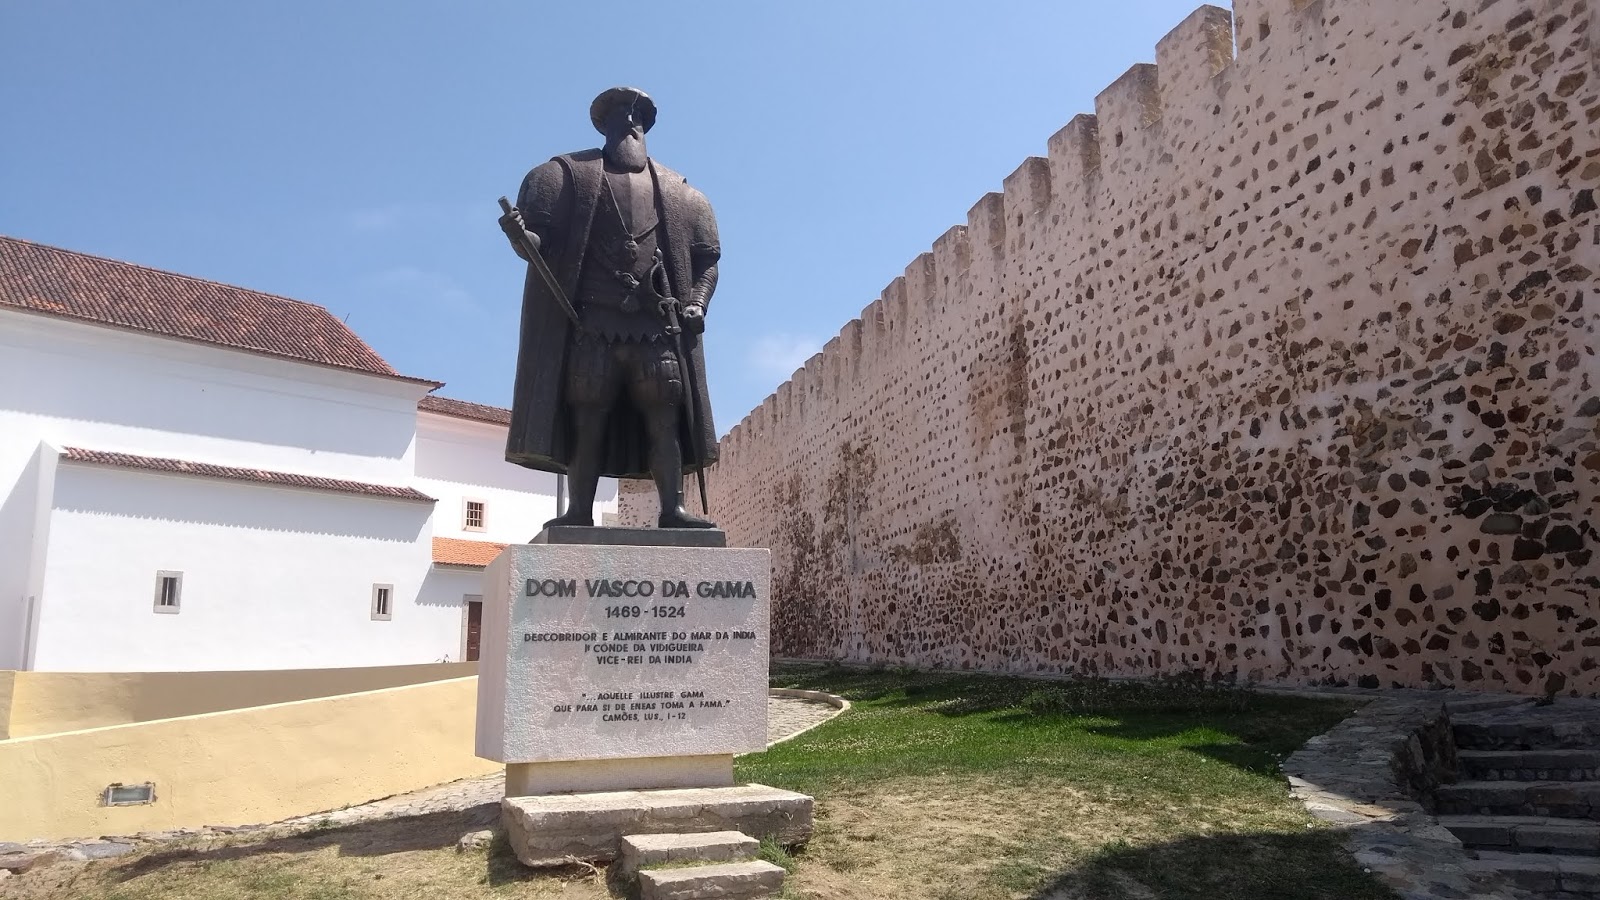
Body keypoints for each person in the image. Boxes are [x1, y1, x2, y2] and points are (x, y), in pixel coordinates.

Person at [498, 87, 720, 530]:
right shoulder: (564, 176)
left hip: (657, 330)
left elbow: (706, 261)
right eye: (620, 113)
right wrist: (521, 237)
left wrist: (696, 302)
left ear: (648, 124)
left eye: (638, 114)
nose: (630, 120)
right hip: (592, 327)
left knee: (665, 421)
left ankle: (672, 510)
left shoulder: (681, 193)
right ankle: (579, 510)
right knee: (588, 420)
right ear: (603, 123)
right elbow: (541, 249)